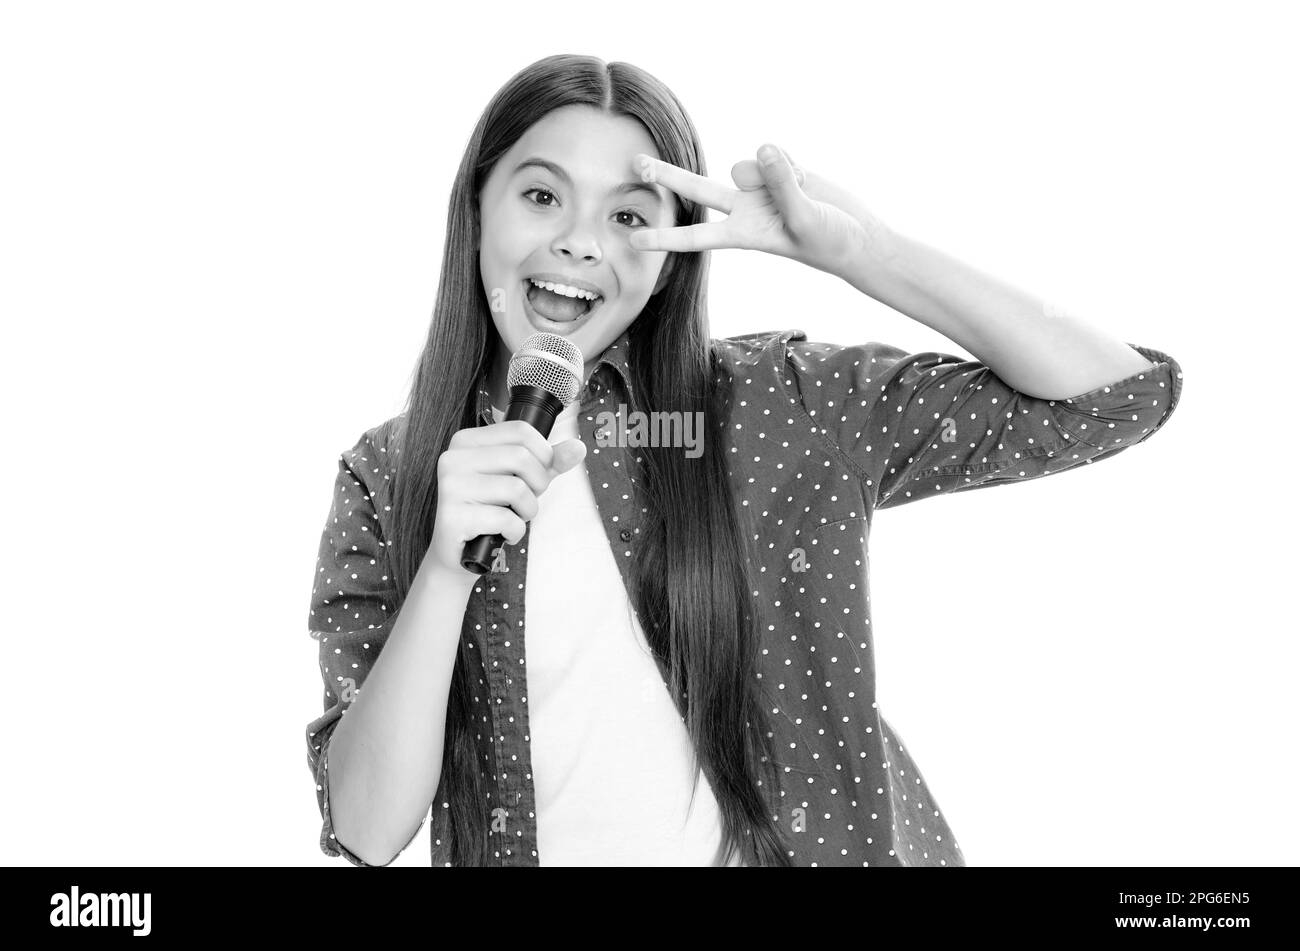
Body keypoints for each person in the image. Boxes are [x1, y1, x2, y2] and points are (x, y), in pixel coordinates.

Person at [304, 54, 1183, 867]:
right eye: (541, 196)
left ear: (667, 255)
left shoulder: (778, 405)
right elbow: (368, 829)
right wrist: (445, 572)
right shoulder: (390, 473)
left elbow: (1115, 399)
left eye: (626, 216)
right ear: (475, 208)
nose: (580, 242)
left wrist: (864, 253)